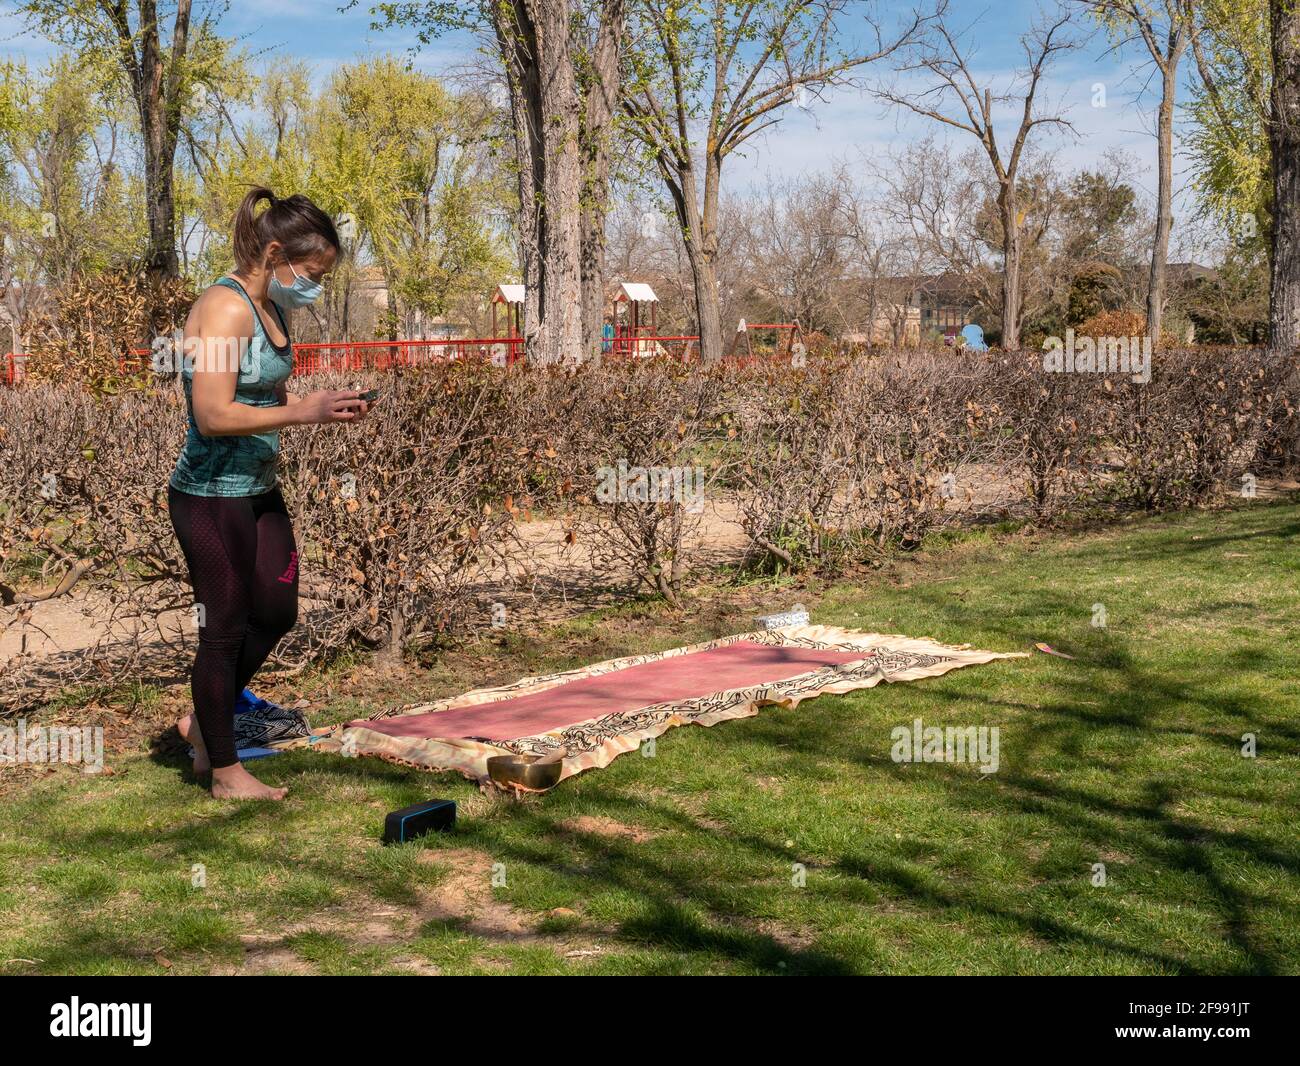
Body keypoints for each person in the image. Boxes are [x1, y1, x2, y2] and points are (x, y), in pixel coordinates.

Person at [170, 186, 371, 800]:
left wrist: (325, 408)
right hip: (210, 494)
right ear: (277, 252)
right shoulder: (226, 308)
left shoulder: (273, 308)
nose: (312, 285)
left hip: (258, 487)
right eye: (310, 273)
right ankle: (223, 770)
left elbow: (259, 396)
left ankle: (203, 723)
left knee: (278, 611)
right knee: (224, 627)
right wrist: (304, 413)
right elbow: (211, 414)